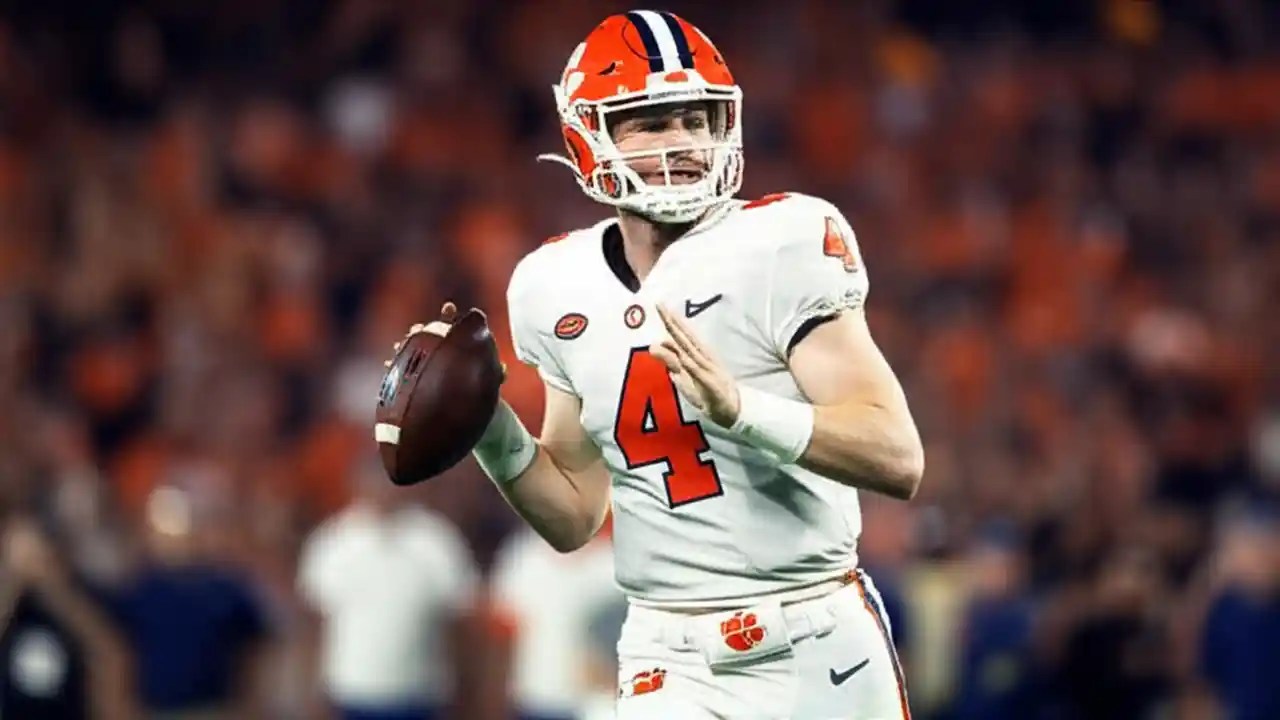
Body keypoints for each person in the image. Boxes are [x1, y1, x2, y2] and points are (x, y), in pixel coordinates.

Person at [396, 10, 924, 719]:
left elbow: (897, 457)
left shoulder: (782, 242)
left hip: (811, 635)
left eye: (697, 119)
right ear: (589, 136)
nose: (683, 143)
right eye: (650, 123)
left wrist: (741, 410)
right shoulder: (552, 283)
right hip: (663, 653)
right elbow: (575, 515)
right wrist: (491, 428)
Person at [297, 455, 479, 720]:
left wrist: (465, 694)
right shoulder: (332, 542)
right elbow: (314, 624)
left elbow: (461, 622)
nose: (382, 490)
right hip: (348, 697)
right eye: (374, 481)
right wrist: (312, 696)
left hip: (421, 697)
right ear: (357, 485)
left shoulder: (438, 541)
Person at [0, 516, 134, 720]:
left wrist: (52, 587)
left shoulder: (84, 601)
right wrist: (11, 580)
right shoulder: (9, 605)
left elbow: (111, 659)